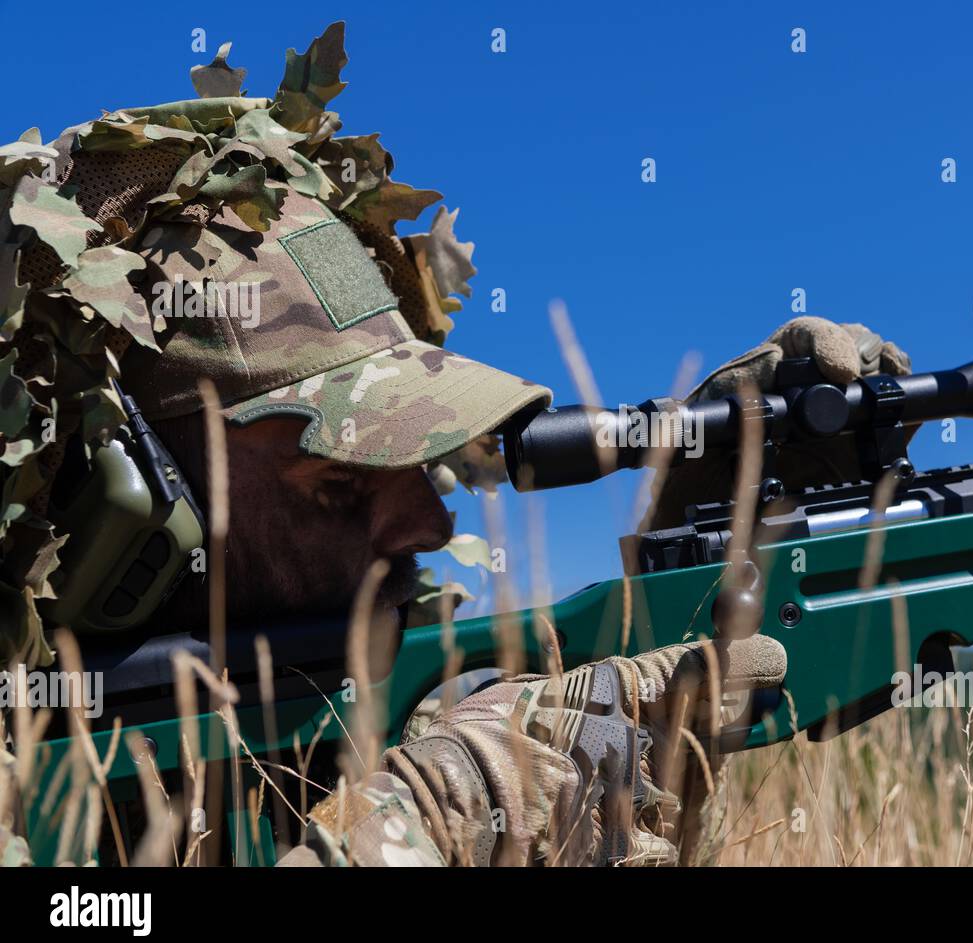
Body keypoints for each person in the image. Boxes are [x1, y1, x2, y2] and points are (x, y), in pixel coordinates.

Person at [0, 23, 909, 866]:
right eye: (341, 485)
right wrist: (442, 814)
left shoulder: (317, 701)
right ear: (122, 512)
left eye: (414, 463)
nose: (431, 523)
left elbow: (560, 705)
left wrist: (693, 526)